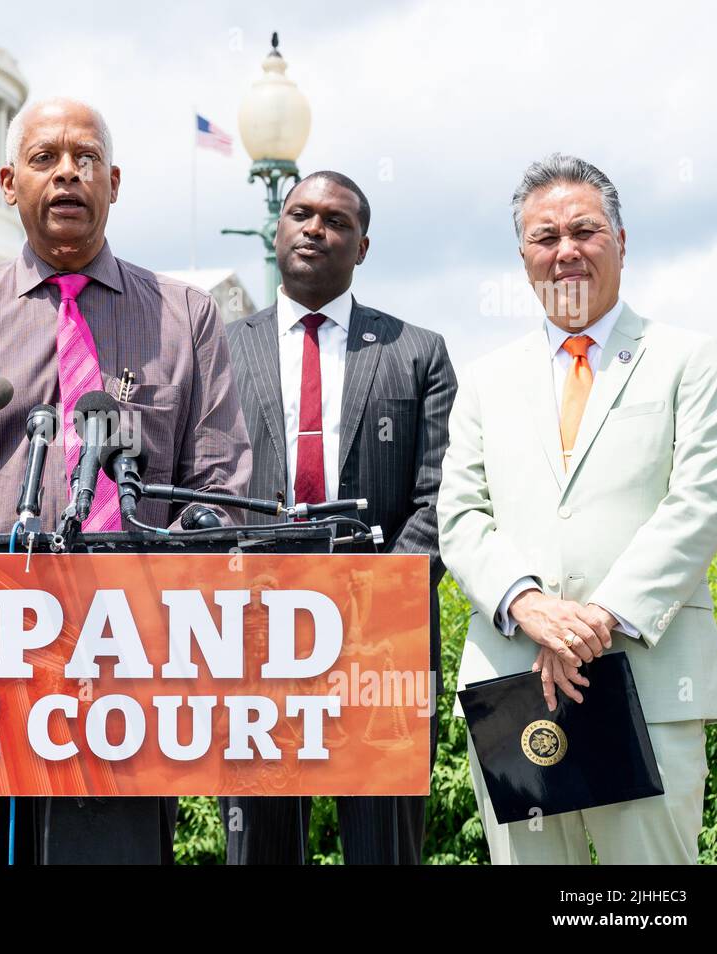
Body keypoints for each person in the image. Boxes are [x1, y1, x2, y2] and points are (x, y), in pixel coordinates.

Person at [0, 97, 252, 864]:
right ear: (9, 183)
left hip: (134, 669)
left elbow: (220, 493)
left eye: (85, 160)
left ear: (114, 182)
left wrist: (137, 611)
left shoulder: (187, 317)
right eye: (45, 159)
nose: (67, 173)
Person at [438, 153, 717, 864]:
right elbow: (461, 515)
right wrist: (528, 604)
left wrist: (599, 618)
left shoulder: (689, 360)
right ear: (523, 260)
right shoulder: (484, 382)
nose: (565, 251)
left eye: (584, 230)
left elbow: (701, 500)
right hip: (514, 687)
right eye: (545, 238)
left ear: (622, 243)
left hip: (650, 680)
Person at [222, 171, 456, 864]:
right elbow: (199, 486)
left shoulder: (417, 354)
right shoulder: (220, 348)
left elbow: (441, 497)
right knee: (257, 848)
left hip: (381, 642)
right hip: (251, 637)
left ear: (363, 246)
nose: (314, 228)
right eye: (299, 213)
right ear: (276, 229)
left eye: (336, 220)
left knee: (383, 848)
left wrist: (371, 598)